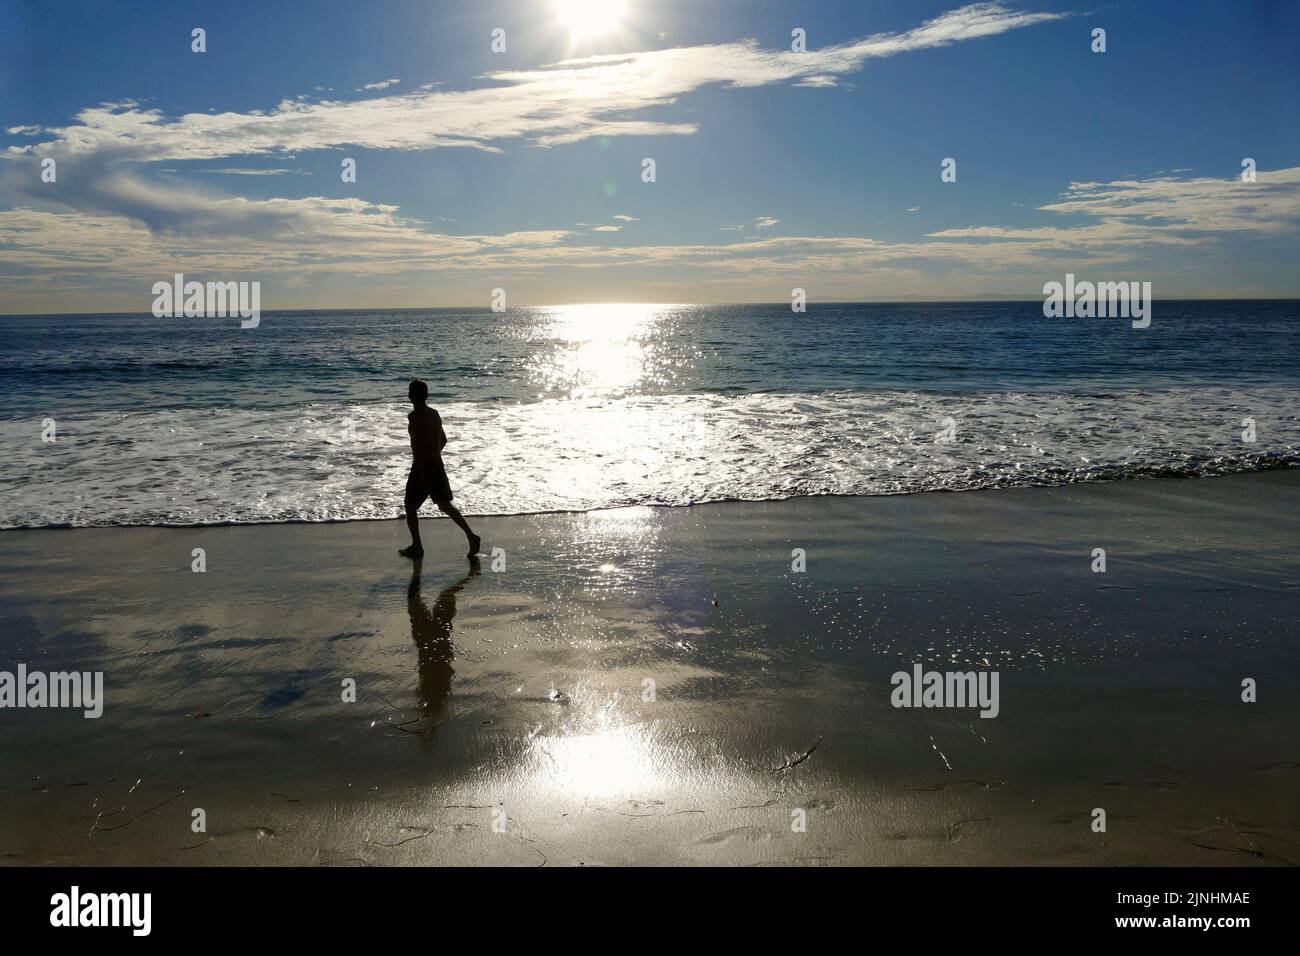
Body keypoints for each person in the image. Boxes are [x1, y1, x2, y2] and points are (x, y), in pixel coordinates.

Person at [399, 379, 481, 560]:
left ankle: (417, 546)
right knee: (445, 505)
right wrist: (434, 455)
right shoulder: (435, 414)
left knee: (410, 505)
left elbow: (417, 449)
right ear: (426, 395)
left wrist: (420, 474)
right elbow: (443, 440)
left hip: (423, 466)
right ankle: (471, 536)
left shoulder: (414, 417)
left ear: (410, 395)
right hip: (437, 463)